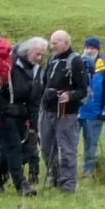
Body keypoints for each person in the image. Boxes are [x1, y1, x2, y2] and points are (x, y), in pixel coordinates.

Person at [0, 37, 45, 197]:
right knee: (14, 148)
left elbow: (35, 99)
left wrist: (34, 123)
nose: (40, 58)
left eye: (42, 54)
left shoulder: (37, 71)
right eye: (37, 54)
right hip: (6, 114)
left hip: (23, 116)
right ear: (27, 52)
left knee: (12, 149)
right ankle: (21, 185)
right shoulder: (8, 66)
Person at [39, 30, 90, 193]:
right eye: (51, 42)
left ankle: (68, 184)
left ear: (66, 43)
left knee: (67, 148)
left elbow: (83, 90)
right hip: (48, 109)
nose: (51, 46)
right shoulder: (52, 60)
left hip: (66, 112)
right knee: (46, 148)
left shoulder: (75, 61)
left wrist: (69, 95)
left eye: (55, 43)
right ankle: (54, 176)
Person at [80, 36, 104, 175]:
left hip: (94, 112)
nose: (89, 51)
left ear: (98, 50)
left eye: (92, 48)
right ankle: (69, 169)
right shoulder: (78, 63)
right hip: (77, 110)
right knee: (70, 142)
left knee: (91, 143)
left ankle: (88, 171)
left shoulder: (102, 68)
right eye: (87, 48)